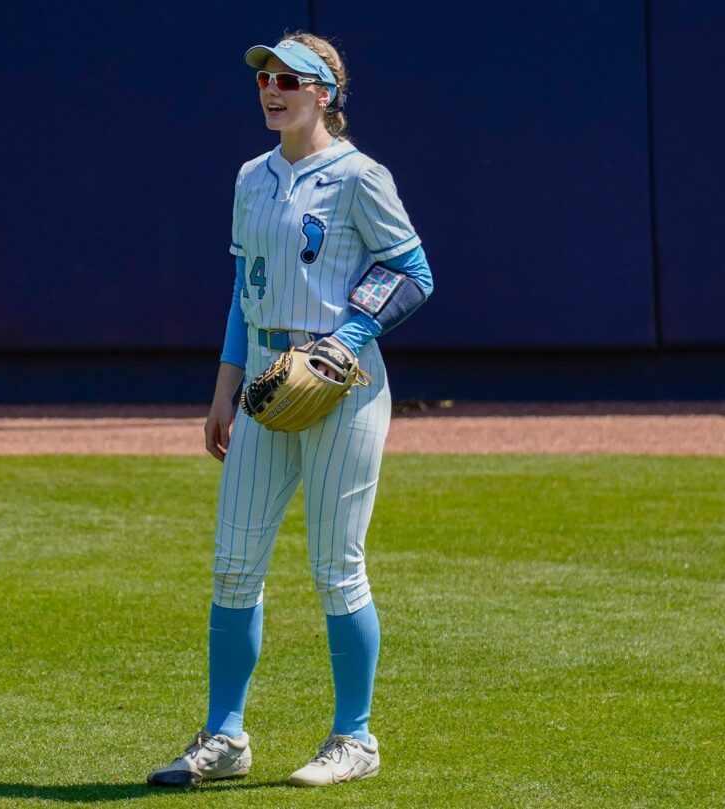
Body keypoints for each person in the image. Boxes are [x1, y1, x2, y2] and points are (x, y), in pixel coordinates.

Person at [147, 32, 433, 789]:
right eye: (265, 77)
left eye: (289, 78)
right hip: (269, 383)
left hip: (345, 387)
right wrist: (223, 389)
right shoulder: (251, 176)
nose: (271, 88)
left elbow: (413, 269)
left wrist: (349, 337)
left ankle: (355, 738)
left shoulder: (359, 175)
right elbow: (245, 289)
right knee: (234, 566)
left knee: (337, 567)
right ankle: (225, 736)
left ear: (326, 95)